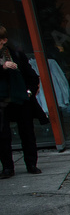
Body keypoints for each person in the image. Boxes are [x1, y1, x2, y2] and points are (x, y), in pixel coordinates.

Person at [0, 26, 42, 178]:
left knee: (27, 132)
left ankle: (31, 164)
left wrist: (29, 92)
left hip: (20, 100)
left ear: (4, 40)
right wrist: (3, 67)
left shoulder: (16, 55)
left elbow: (32, 76)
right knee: (3, 136)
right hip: (2, 102)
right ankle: (7, 168)